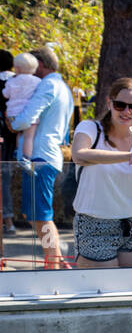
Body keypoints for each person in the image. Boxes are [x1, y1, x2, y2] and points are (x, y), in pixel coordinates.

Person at [69, 77, 132, 268]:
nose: (126, 111)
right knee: (102, 291)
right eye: (120, 105)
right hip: (95, 223)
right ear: (109, 103)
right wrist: (130, 155)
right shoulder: (91, 128)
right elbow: (79, 155)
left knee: (128, 288)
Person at [10, 46, 73, 268]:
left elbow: (24, 120)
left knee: (41, 215)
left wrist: (13, 121)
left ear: (42, 66)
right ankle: (55, 258)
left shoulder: (48, 85)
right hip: (46, 156)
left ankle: (53, 263)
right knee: (37, 215)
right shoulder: (63, 87)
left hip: (40, 158)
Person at [3, 52, 40, 169]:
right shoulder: (37, 81)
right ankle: (26, 157)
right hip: (28, 115)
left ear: (17, 68)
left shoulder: (11, 80)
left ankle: (17, 151)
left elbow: (5, 94)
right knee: (29, 136)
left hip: (12, 115)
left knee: (19, 133)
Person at [0, 49, 14, 233]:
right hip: (13, 134)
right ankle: (8, 219)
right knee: (6, 177)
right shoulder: (17, 79)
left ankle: (8, 219)